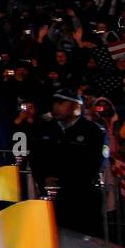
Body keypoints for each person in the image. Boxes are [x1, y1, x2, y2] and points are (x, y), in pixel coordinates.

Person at [31, 88, 106, 238]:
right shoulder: (45, 128)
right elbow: (36, 158)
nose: (55, 107)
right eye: (54, 104)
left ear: (76, 106)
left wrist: (65, 182)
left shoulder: (93, 131)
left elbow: (93, 163)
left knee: (83, 240)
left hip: (81, 197)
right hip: (51, 195)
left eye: (61, 103)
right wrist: (43, 178)